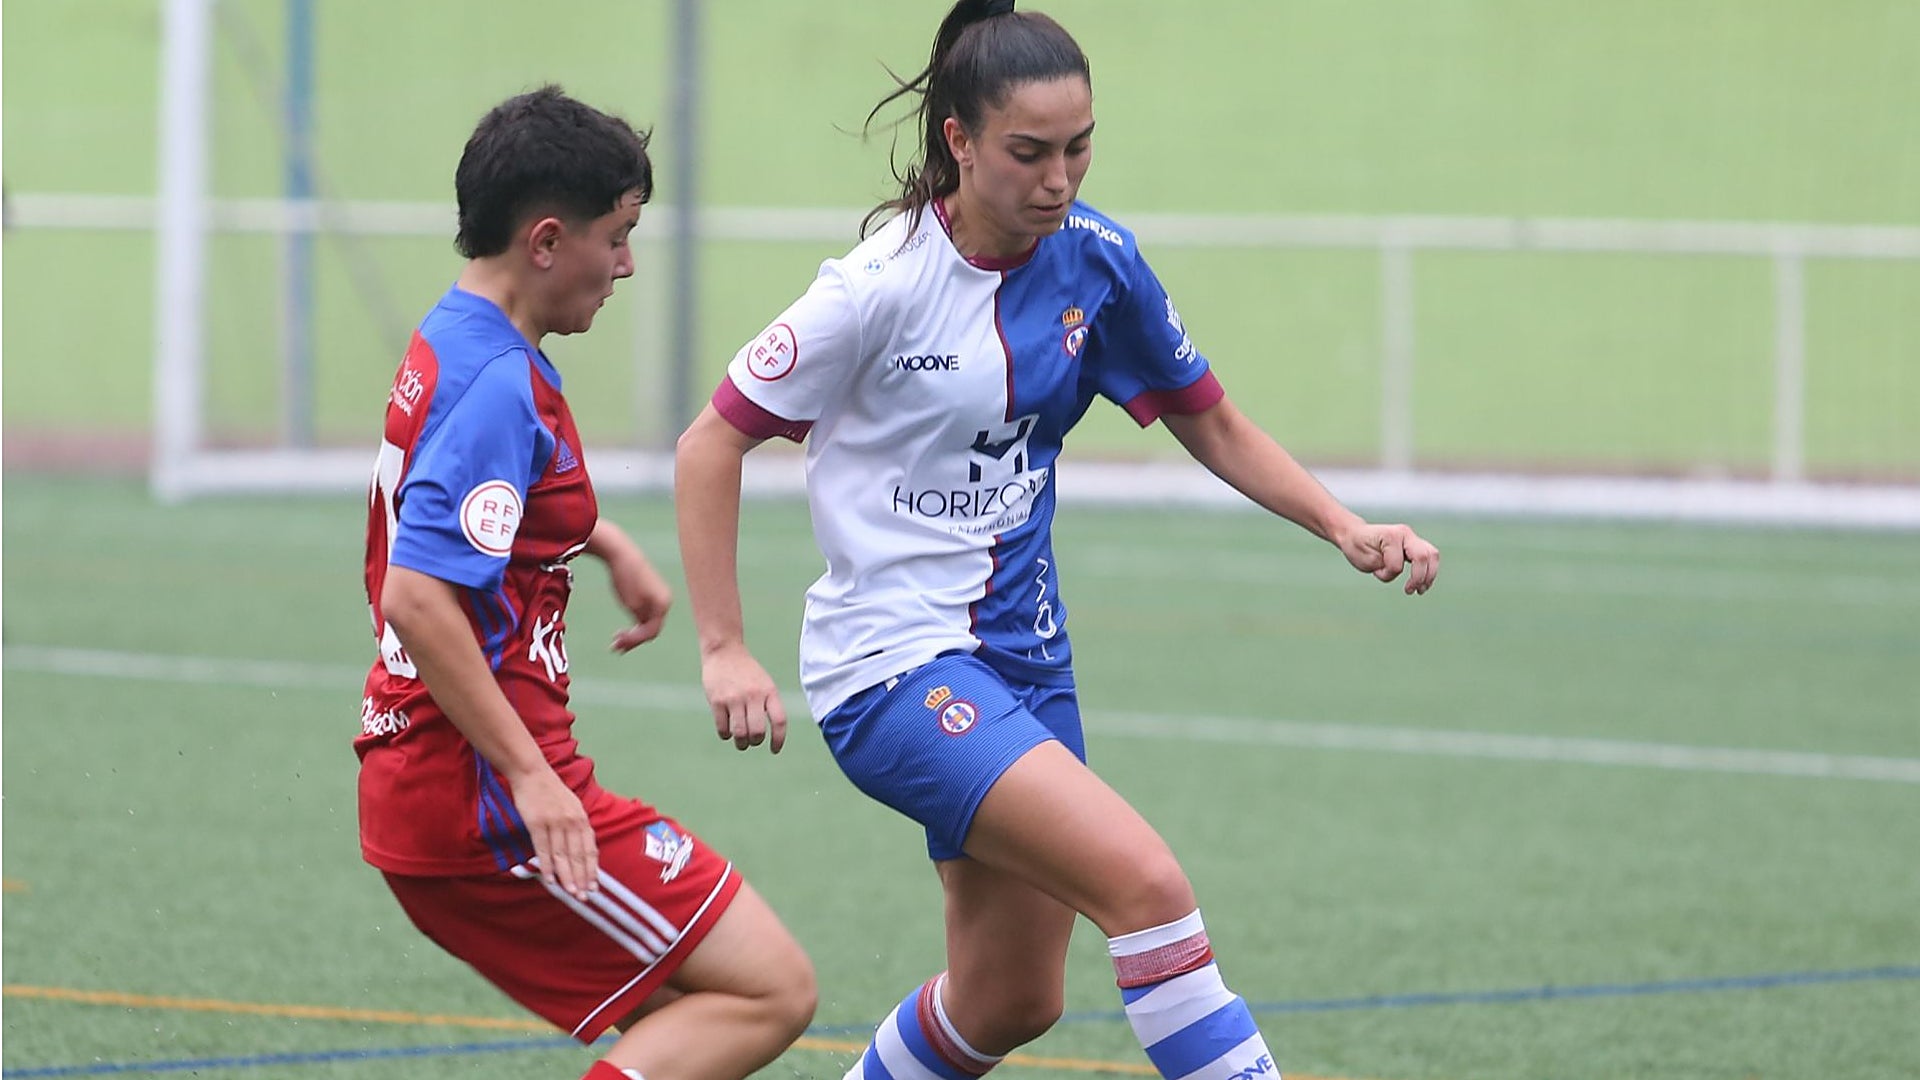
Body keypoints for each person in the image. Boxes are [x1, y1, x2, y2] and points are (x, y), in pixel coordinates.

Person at [675, 1, 1441, 1077]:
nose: (1059, 179)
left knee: (1009, 999)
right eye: (1028, 153)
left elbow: (1206, 416)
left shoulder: (1098, 262)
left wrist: (1342, 525)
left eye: (1079, 149)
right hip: (891, 667)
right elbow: (710, 442)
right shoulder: (876, 290)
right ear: (959, 141)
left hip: (1029, 662)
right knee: (1150, 890)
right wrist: (722, 644)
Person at [358, 86, 815, 1080]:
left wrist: (596, 538)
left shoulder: (459, 336)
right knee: (770, 991)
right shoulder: (496, 382)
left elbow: (463, 503)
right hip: (484, 797)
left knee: (690, 1015)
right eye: (619, 235)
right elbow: (416, 594)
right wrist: (535, 784)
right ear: (549, 239)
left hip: (443, 780)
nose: (627, 264)